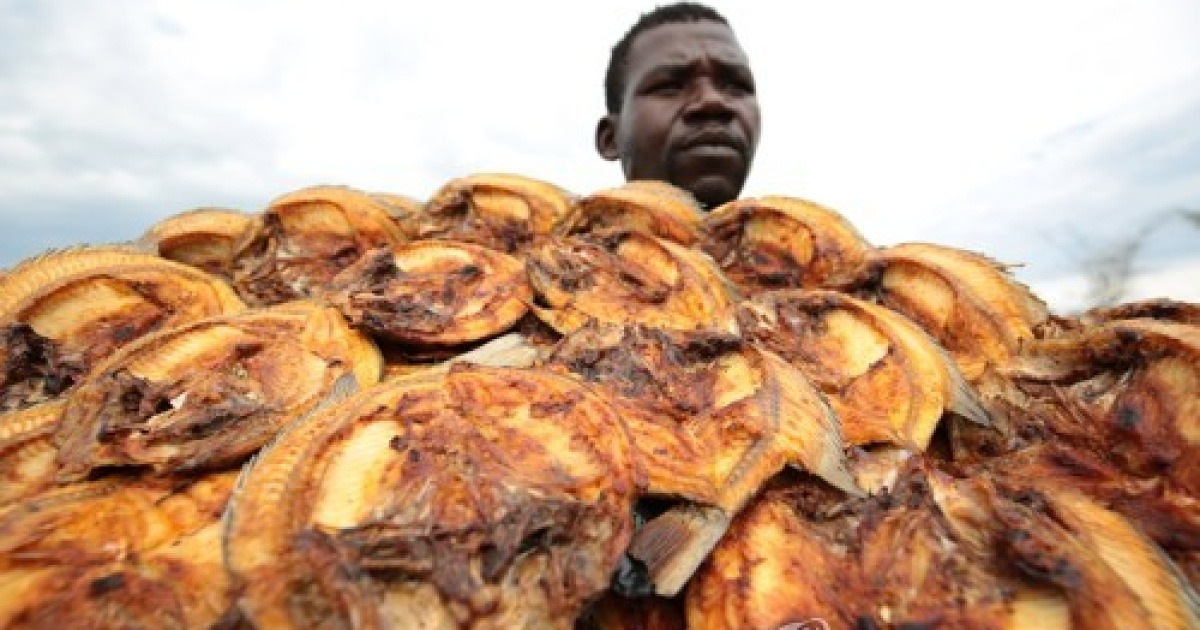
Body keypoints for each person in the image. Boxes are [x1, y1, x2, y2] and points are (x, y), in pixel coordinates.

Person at [596, 2, 761, 210]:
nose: (712, 102)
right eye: (670, 86)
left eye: (737, 86)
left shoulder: (809, 239)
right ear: (610, 138)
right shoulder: (553, 241)